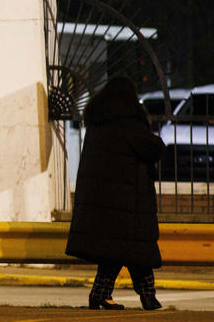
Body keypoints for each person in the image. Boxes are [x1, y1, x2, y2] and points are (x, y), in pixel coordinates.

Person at [65, 76, 165, 311]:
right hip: (127, 201)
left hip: (103, 201)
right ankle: (145, 297)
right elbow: (153, 148)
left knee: (118, 251)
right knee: (134, 250)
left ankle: (104, 295)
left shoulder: (97, 122)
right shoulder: (129, 121)